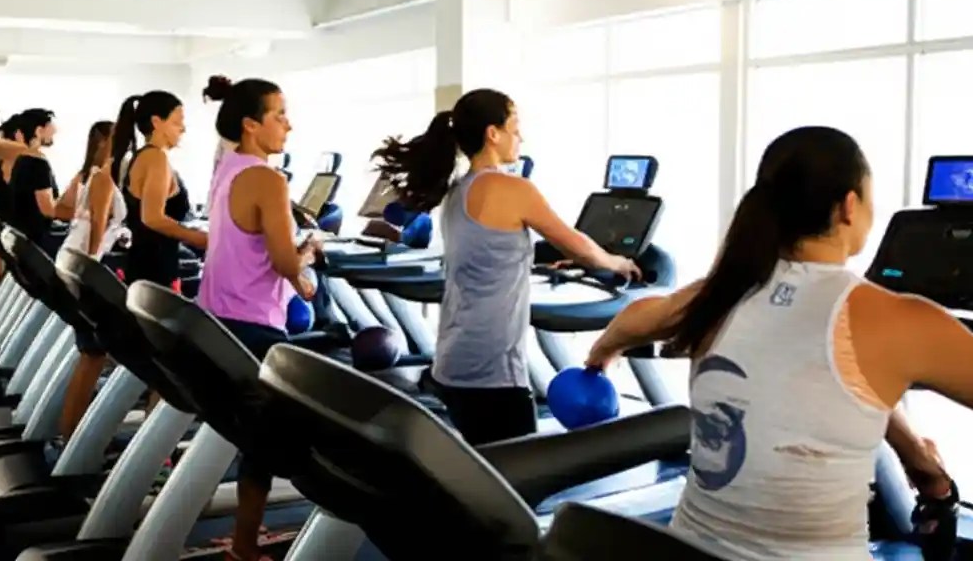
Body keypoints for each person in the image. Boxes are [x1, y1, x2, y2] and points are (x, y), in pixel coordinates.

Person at [584, 126, 972, 561]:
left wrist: (601, 359)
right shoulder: (899, 319)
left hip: (688, 549)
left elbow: (634, 320)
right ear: (849, 206)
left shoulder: (719, 292)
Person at [372, 88, 639, 447]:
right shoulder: (512, 188)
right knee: (514, 486)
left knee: (480, 474)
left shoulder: (456, 192)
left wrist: (541, 259)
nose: (521, 136)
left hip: (453, 360)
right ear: (492, 133)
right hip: (491, 369)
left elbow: (488, 251)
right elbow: (582, 247)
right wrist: (618, 262)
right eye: (515, 127)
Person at [197, 78, 317, 561]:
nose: (289, 123)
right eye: (279, 114)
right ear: (251, 124)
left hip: (217, 317)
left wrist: (296, 256)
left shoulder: (227, 168)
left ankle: (244, 543)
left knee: (252, 435)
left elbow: (247, 241)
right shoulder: (270, 178)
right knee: (264, 443)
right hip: (253, 323)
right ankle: (244, 547)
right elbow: (285, 262)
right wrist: (306, 264)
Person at [55, 119, 122, 441]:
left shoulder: (84, 175)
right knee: (93, 354)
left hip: (72, 261)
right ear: (105, 144)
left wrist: (79, 218)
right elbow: (98, 225)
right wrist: (93, 263)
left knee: (91, 355)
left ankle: (69, 435)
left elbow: (58, 209)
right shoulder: (104, 177)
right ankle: (71, 437)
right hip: (87, 268)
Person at [114, 91, 207, 287]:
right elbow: (152, 217)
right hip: (154, 268)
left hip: (148, 263)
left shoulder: (144, 156)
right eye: (176, 122)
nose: (182, 129)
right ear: (157, 122)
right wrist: (199, 238)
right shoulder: (155, 158)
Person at [0, 108, 65, 254]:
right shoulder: (37, 163)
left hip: (24, 238)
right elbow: (48, 210)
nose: (55, 130)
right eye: (50, 126)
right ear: (39, 130)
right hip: (38, 242)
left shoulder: (22, 161)